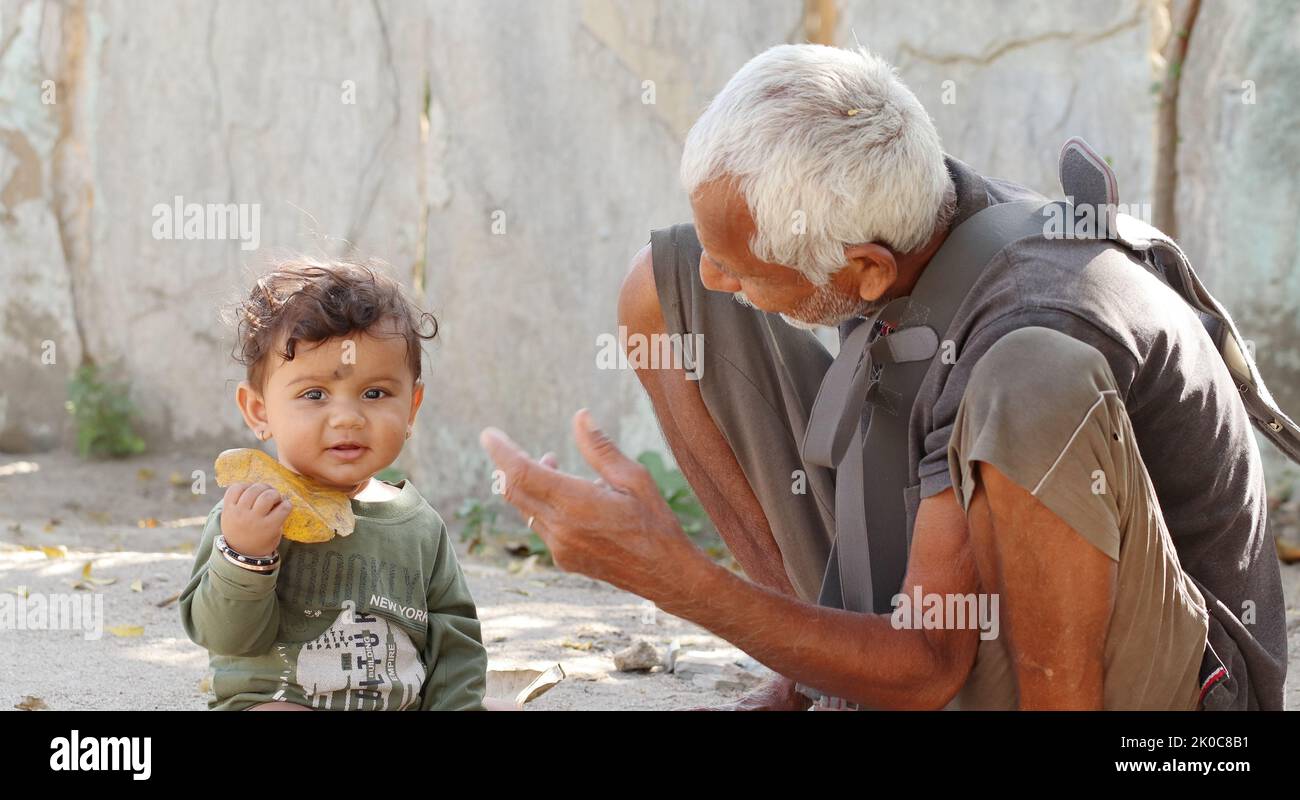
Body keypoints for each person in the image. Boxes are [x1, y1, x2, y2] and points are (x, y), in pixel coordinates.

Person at [480, 44, 1286, 710]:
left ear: (865, 269)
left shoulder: (1029, 327)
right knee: (667, 289)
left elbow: (933, 662)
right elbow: (711, 280)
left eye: (746, 266)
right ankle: (816, 670)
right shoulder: (912, 208)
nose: (728, 282)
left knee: (1029, 379)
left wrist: (677, 578)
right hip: (961, 566)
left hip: (1160, 691)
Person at [180, 255, 489, 711]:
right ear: (259, 411)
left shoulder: (420, 526)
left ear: (412, 406)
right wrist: (246, 556)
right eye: (314, 394)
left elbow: (455, 641)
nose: (347, 417)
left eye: (375, 393)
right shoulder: (252, 514)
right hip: (283, 700)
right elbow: (227, 637)